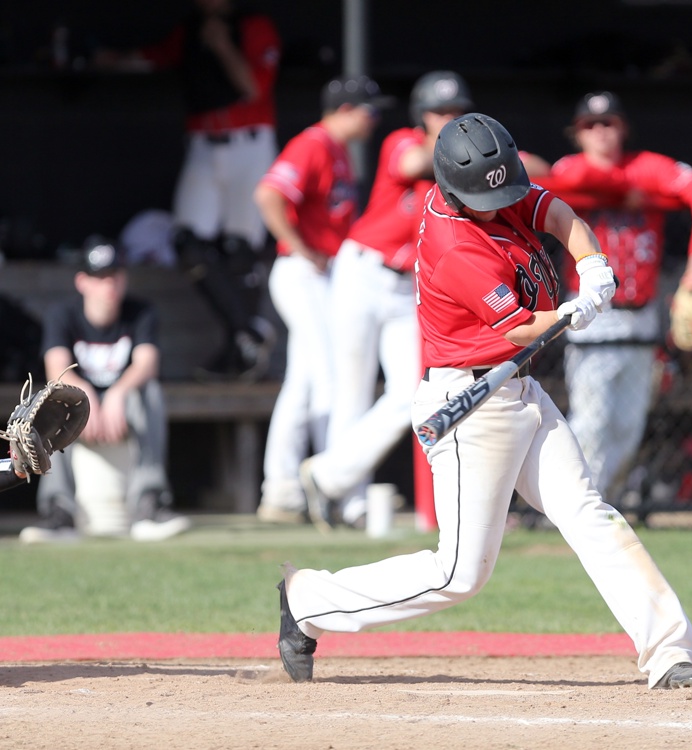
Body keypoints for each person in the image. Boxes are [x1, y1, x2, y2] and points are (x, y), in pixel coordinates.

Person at [276, 113, 692, 691]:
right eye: (487, 196)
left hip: (521, 389)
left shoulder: (491, 183)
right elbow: (522, 328)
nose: (499, 203)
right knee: (457, 575)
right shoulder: (455, 243)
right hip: (471, 402)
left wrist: (592, 262)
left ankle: (669, 654)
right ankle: (309, 600)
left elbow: (555, 211)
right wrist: (574, 314)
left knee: (590, 513)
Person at [297, 70, 473, 530]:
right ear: (423, 115)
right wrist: (475, 153)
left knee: (411, 394)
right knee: (350, 391)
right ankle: (348, 505)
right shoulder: (403, 139)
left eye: (456, 112)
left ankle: (330, 477)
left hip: (405, 286)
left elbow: (532, 166)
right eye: (439, 112)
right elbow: (413, 164)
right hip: (362, 270)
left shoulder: (464, 165)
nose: (447, 120)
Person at [544, 90, 692, 504]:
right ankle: (570, 504)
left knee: (628, 423)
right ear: (578, 133)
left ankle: (600, 503)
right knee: (591, 420)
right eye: (590, 126)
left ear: (622, 128)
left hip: (642, 311)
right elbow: (571, 177)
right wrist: (626, 190)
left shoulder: (646, 165)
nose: (601, 133)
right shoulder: (574, 166)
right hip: (593, 312)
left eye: (608, 123)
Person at [93, 0, 282, 381]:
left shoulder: (253, 26)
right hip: (202, 142)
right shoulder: (189, 29)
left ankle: (241, 345)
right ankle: (247, 330)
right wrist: (110, 59)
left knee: (238, 246)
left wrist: (223, 46)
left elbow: (253, 88)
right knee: (186, 241)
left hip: (248, 142)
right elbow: (156, 57)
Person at [252, 75, 394, 523]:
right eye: (368, 111)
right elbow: (268, 195)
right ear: (346, 109)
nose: (373, 120)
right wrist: (298, 246)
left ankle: (286, 489)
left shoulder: (338, 151)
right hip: (302, 273)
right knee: (323, 378)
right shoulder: (313, 143)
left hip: (322, 274)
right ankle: (291, 486)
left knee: (306, 379)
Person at [19, 236, 190, 543]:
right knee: (48, 399)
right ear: (82, 282)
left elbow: (146, 364)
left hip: (123, 406)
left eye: (113, 276)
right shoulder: (63, 315)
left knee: (149, 392)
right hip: (77, 406)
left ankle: (148, 505)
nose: (108, 285)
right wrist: (85, 397)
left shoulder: (140, 313)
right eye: (99, 278)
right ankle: (60, 512)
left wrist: (116, 393)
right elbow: (55, 368)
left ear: (123, 279)